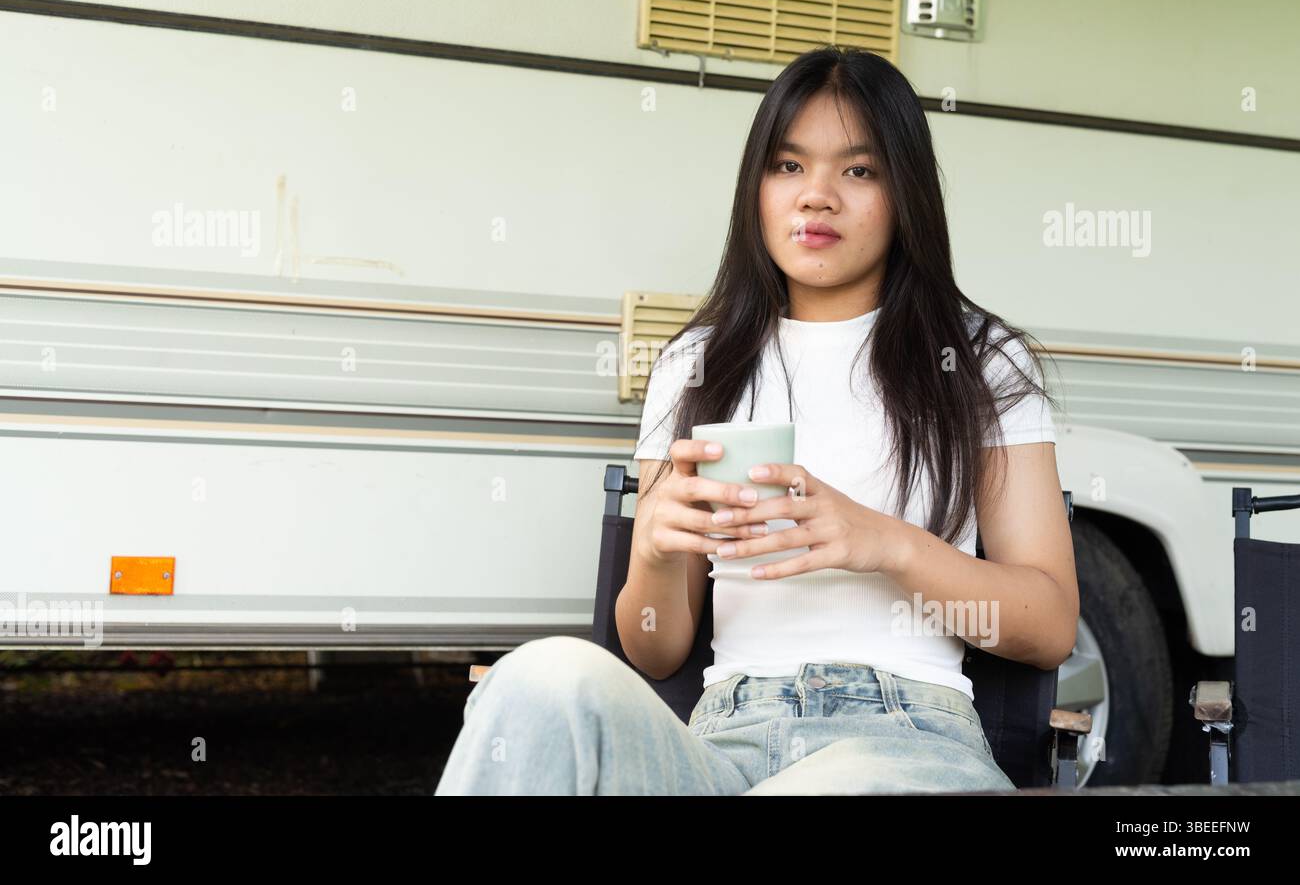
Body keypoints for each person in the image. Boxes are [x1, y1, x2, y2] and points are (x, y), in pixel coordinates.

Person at [435, 45, 1078, 795]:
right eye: (788, 166)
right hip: (720, 743)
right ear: (757, 188)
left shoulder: (980, 361)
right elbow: (655, 648)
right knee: (535, 678)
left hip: (906, 740)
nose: (818, 196)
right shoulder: (698, 363)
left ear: (906, 192)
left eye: (859, 170)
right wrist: (655, 549)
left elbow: (1050, 623)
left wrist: (882, 542)